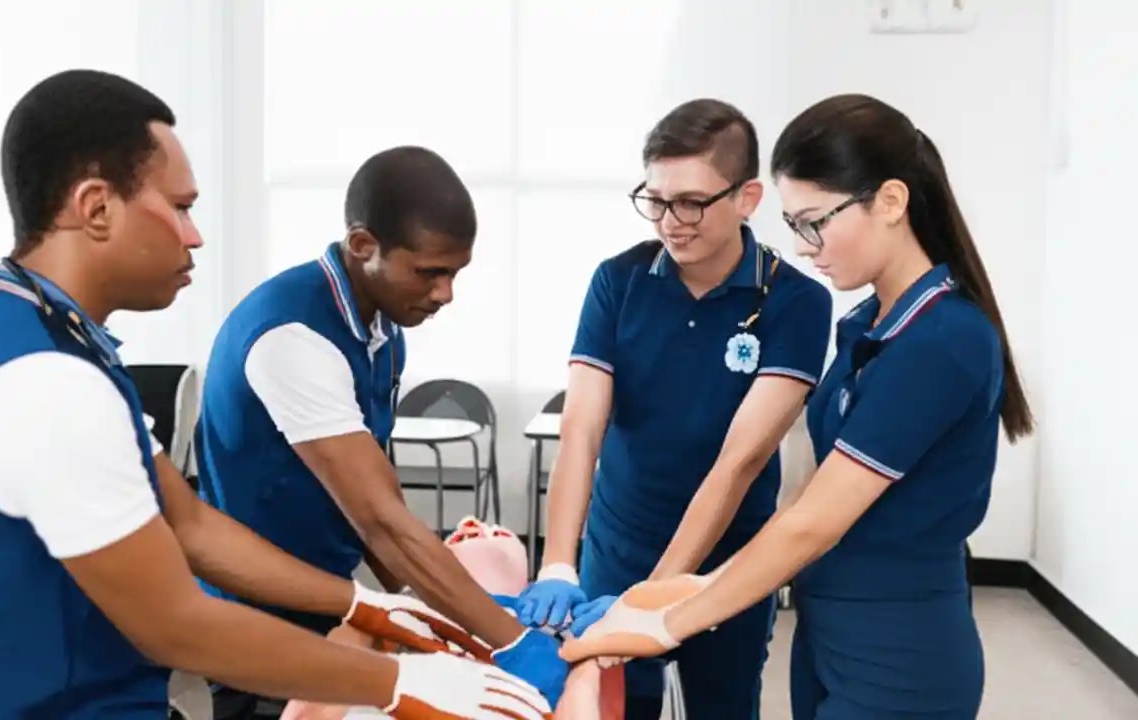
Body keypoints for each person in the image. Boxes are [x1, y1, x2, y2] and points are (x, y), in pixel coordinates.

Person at [0, 69, 552, 720]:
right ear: (96, 208)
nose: (194, 235)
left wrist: (363, 603)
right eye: (180, 207)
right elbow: (176, 625)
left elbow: (187, 522)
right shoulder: (49, 380)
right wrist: (394, 681)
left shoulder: (12, 330)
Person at [559, 93, 1035, 720]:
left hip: (896, 645)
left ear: (890, 202)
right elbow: (808, 500)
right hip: (826, 626)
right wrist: (673, 588)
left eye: (816, 220)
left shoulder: (941, 341)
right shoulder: (868, 323)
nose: (807, 245)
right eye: (796, 225)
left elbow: (812, 518)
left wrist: (669, 617)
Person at [195, 146, 569, 705]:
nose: (445, 294)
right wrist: (508, 640)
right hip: (256, 618)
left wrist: (432, 608)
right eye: (430, 273)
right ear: (363, 246)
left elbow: (373, 487)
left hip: (328, 597)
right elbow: (381, 521)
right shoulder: (294, 336)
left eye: (456, 273)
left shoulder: (380, 330)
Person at [516, 98, 833, 719]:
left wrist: (660, 595)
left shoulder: (796, 302)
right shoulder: (619, 281)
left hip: (727, 567)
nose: (670, 220)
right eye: (655, 200)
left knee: (721, 704)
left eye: (691, 201)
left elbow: (739, 462)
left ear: (747, 198)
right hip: (618, 548)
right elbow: (581, 429)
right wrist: (559, 559)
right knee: (613, 704)